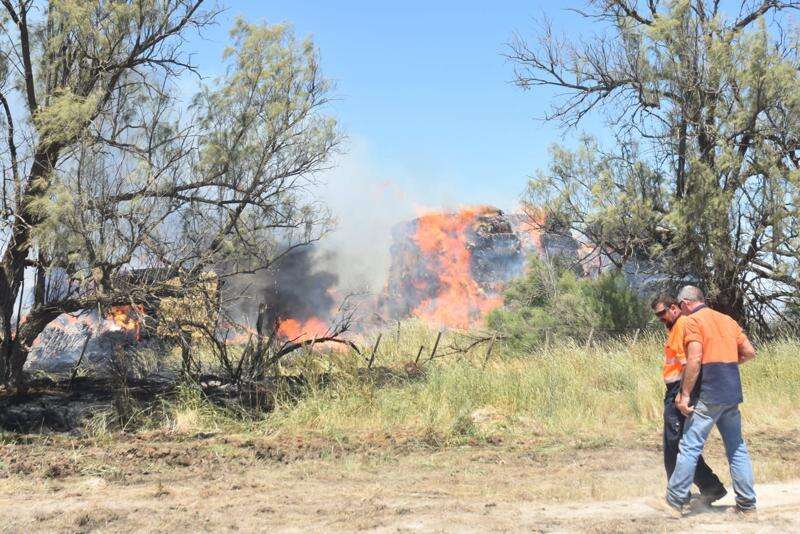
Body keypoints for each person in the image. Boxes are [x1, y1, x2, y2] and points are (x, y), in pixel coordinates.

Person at [659, 286, 757, 517]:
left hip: (709, 394)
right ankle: (747, 505)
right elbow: (750, 352)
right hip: (731, 393)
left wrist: (683, 395)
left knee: (690, 446)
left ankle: (674, 501)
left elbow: (694, 359)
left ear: (684, 304)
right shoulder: (727, 320)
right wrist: (729, 365)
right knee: (737, 448)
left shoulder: (693, 321)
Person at [650, 293, 726, 505]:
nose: (660, 318)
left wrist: (682, 394)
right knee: (677, 443)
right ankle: (708, 488)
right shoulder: (675, 327)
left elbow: (688, 364)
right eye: (657, 316)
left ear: (674, 307)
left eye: (662, 313)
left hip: (679, 390)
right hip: (675, 390)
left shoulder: (683, 324)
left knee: (676, 444)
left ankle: (683, 495)